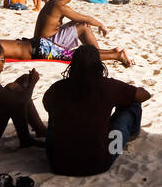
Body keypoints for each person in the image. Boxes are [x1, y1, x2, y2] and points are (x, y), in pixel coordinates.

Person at [43, 45, 150, 176]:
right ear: (98, 65)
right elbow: (144, 95)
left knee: (54, 118)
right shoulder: (107, 86)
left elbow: (47, 106)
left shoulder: (57, 88)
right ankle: (131, 135)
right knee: (133, 104)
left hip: (58, 164)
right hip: (100, 163)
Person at [28, 0, 131, 65]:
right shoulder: (61, 7)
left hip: (41, 39)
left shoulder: (52, 2)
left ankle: (108, 52)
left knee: (81, 23)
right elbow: (85, 18)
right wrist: (100, 25)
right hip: (47, 42)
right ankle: (98, 54)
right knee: (84, 26)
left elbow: (78, 18)